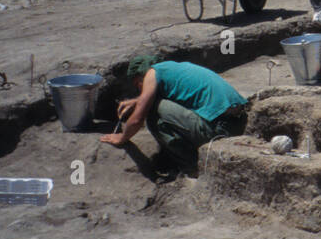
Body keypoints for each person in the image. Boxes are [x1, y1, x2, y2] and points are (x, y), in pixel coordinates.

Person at [100, 55, 247, 176]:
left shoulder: (152, 73)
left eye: (138, 84)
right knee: (155, 103)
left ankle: (192, 168)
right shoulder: (173, 68)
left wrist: (122, 137)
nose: (140, 89)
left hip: (218, 130)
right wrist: (137, 100)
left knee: (153, 109)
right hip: (238, 124)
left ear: (141, 76)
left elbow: (138, 119)